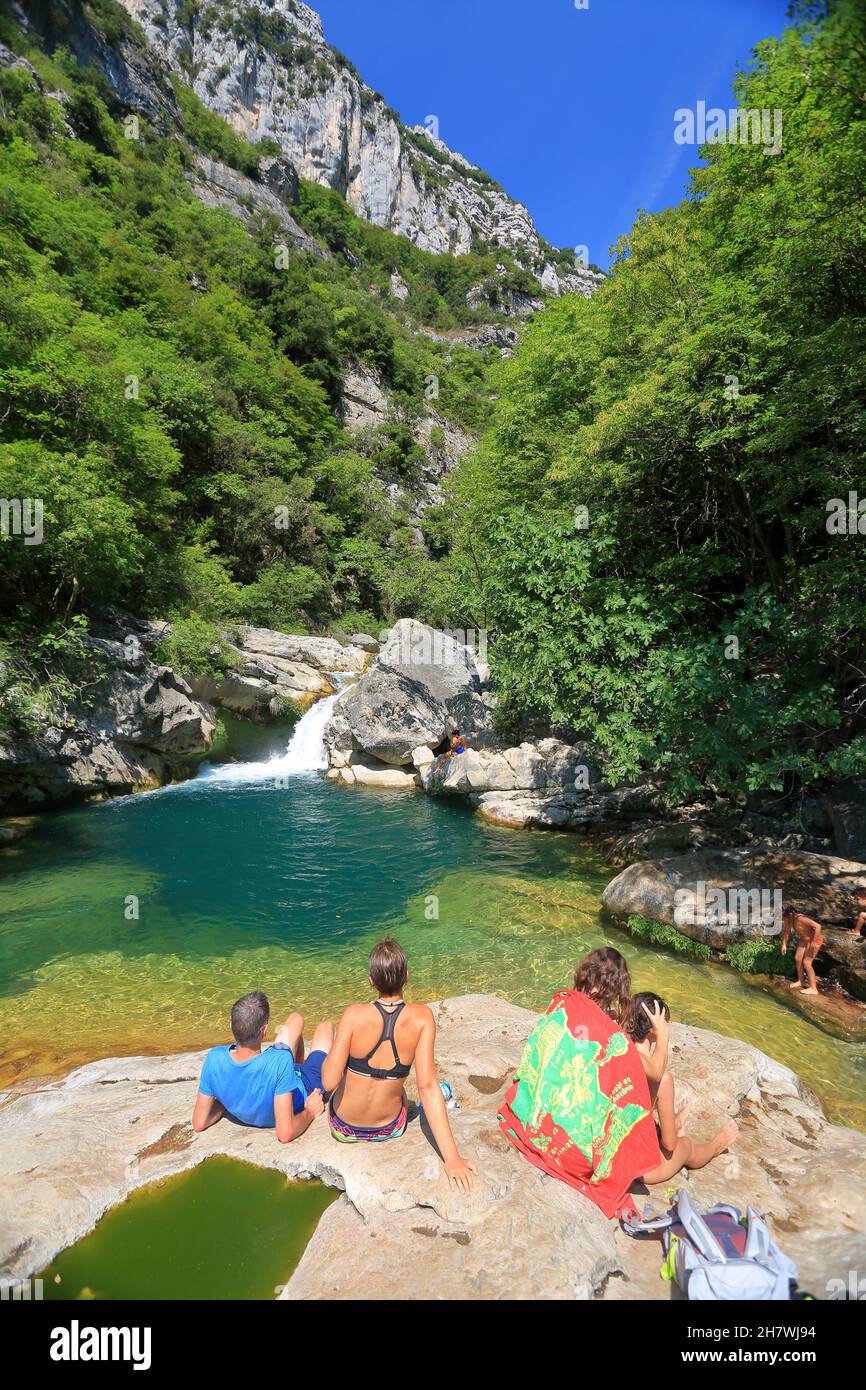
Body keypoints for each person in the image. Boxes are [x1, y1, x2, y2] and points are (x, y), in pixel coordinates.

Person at [321, 939, 477, 1193]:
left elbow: (328, 1082)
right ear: (407, 976)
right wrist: (452, 1159)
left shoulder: (353, 1015)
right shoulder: (422, 1018)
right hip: (388, 1129)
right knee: (418, 1091)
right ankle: (447, 1095)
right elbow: (427, 1087)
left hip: (343, 1129)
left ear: (371, 981)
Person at [192, 991, 334, 1144]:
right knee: (326, 1026)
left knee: (296, 1019)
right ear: (264, 1031)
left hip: (274, 1070)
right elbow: (285, 1134)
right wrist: (310, 1112)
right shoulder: (280, 1061)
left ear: (231, 1025)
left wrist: (228, 1101)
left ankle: (290, 1077)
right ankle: (294, 1076)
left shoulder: (214, 1058)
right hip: (304, 1084)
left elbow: (199, 1123)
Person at [626, 991, 738, 1181]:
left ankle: (674, 1123)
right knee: (684, 1145)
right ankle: (715, 1146)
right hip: (638, 1170)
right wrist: (664, 1037)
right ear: (657, 1027)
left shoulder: (619, 1049)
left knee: (650, 1120)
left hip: (612, 1155)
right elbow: (669, 1146)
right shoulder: (662, 1080)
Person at [780, 905, 824, 995]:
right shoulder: (788, 920)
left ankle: (813, 988)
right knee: (798, 958)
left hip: (814, 940)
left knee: (807, 963)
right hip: (804, 939)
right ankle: (801, 981)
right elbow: (787, 932)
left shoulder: (800, 918)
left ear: (788, 914)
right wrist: (784, 944)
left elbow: (818, 927)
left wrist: (814, 943)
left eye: (781, 915)